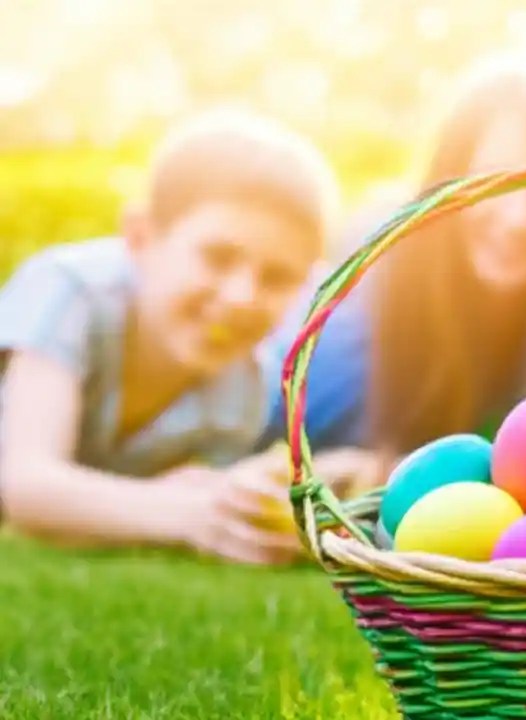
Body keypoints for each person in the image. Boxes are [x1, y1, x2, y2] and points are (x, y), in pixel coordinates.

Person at [0, 109, 337, 564]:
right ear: (141, 237)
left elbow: (170, 501)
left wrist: (223, 497)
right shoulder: (70, 293)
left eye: (277, 277)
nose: (242, 297)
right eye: (218, 257)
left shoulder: (243, 387)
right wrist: (187, 512)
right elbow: (26, 486)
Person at [259, 51, 526, 469]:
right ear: (443, 184)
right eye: (495, 182)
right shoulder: (365, 306)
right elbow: (241, 426)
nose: (521, 218)